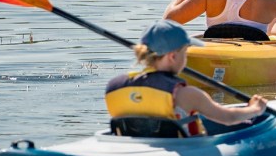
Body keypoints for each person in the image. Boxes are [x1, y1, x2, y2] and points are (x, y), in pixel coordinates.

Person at [105, 19, 267, 135]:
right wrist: (255, 109)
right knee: (260, 122)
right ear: (172, 57)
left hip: (136, 148)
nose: (186, 58)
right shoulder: (187, 94)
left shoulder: (115, 87)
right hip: (184, 154)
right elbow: (228, 118)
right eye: (185, 52)